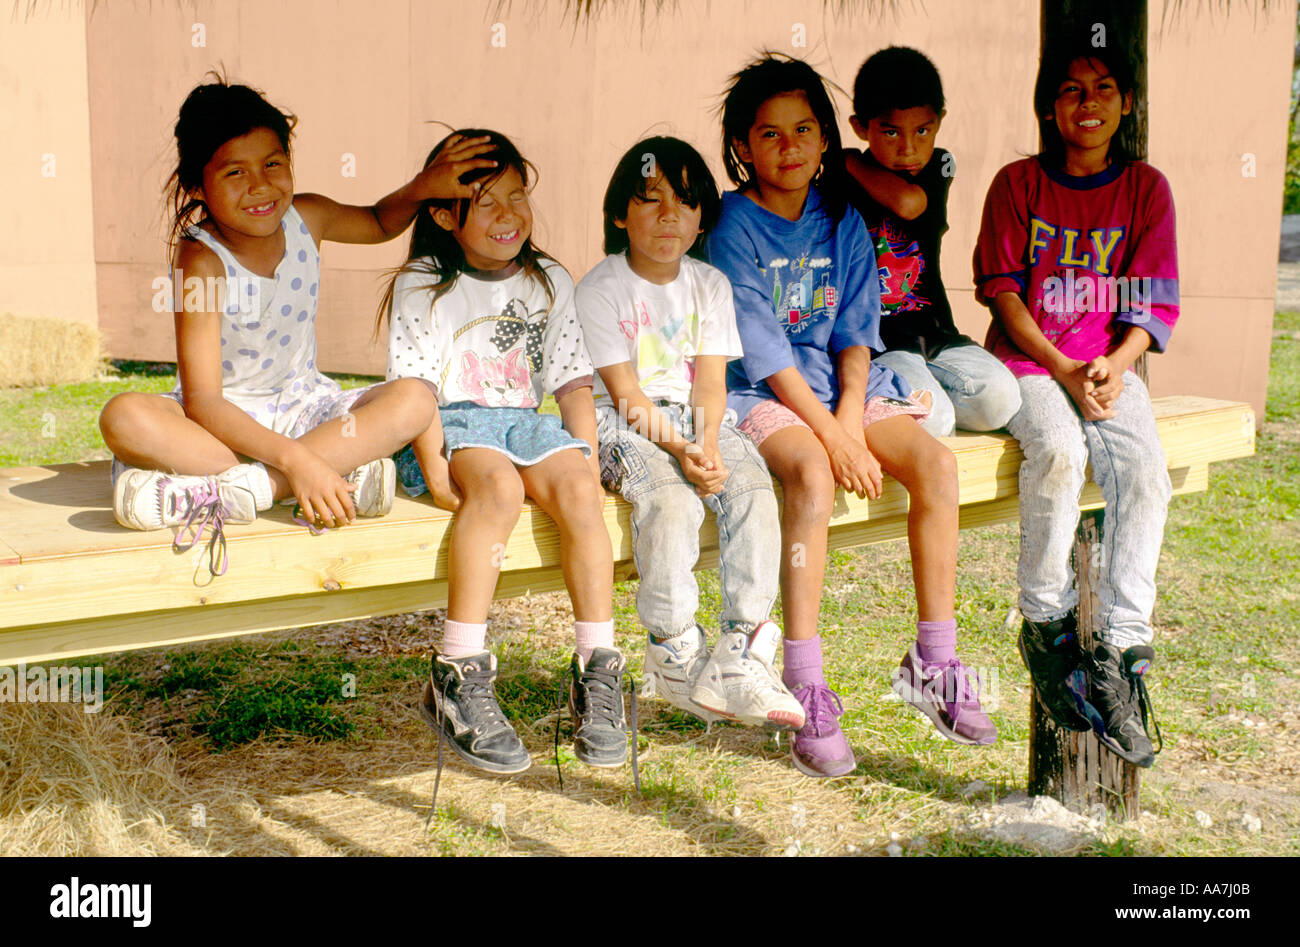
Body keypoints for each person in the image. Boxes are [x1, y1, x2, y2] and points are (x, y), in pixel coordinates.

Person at [708, 54, 998, 778]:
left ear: (828, 136)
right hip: (758, 392)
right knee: (810, 472)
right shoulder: (731, 224)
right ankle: (805, 680)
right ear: (742, 146)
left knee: (935, 461)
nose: (790, 147)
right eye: (769, 135)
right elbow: (764, 351)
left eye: (804, 129)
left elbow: (856, 334)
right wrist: (834, 437)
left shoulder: (840, 218)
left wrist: (848, 416)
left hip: (835, 389)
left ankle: (933, 662)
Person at [100, 77, 490, 575]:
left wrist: (423, 186)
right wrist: (301, 461)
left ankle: (243, 491)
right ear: (197, 185)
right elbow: (203, 402)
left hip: (306, 408)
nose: (260, 186)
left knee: (415, 398)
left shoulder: (309, 216)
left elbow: (376, 222)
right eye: (234, 172)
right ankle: (326, 474)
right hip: (223, 427)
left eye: (272, 164)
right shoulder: (200, 261)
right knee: (123, 416)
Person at [381, 130, 622, 774]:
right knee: (500, 490)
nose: (508, 214)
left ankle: (598, 670)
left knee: (576, 486)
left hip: (522, 423)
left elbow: (572, 382)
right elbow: (417, 390)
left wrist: (587, 458)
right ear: (442, 213)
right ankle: (457, 672)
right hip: (450, 425)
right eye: (485, 202)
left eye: (518, 196)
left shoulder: (550, 281)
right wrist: (433, 471)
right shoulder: (424, 282)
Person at [973, 40, 1177, 767]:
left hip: (1108, 367)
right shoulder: (1018, 183)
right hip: (1032, 362)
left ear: (1125, 104)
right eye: (1069, 89)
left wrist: (1116, 366)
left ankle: (1123, 648)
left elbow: (1152, 304)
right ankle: (1045, 624)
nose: (1086, 102)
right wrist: (1061, 368)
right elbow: (1001, 289)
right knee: (1059, 452)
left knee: (1144, 471)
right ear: (1047, 106)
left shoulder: (1146, 189)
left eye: (1102, 88)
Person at [575, 136, 804, 732]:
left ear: (702, 214)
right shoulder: (599, 289)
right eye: (649, 200)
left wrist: (704, 439)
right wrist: (680, 448)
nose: (668, 215)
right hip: (625, 422)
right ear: (619, 214)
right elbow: (625, 394)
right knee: (672, 501)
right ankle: (672, 647)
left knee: (752, 489)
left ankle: (739, 646)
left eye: (683, 201)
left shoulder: (710, 285)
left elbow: (709, 382)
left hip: (697, 417)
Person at [844, 45, 1020, 436]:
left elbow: (909, 204)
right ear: (860, 127)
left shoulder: (939, 164)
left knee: (1000, 401)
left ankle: (919, 395)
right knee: (934, 421)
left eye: (922, 130)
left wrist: (852, 161)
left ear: (939, 121)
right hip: (879, 347)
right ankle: (902, 401)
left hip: (937, 334)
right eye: (890, 132)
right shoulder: (839, 185)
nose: (909, 148)